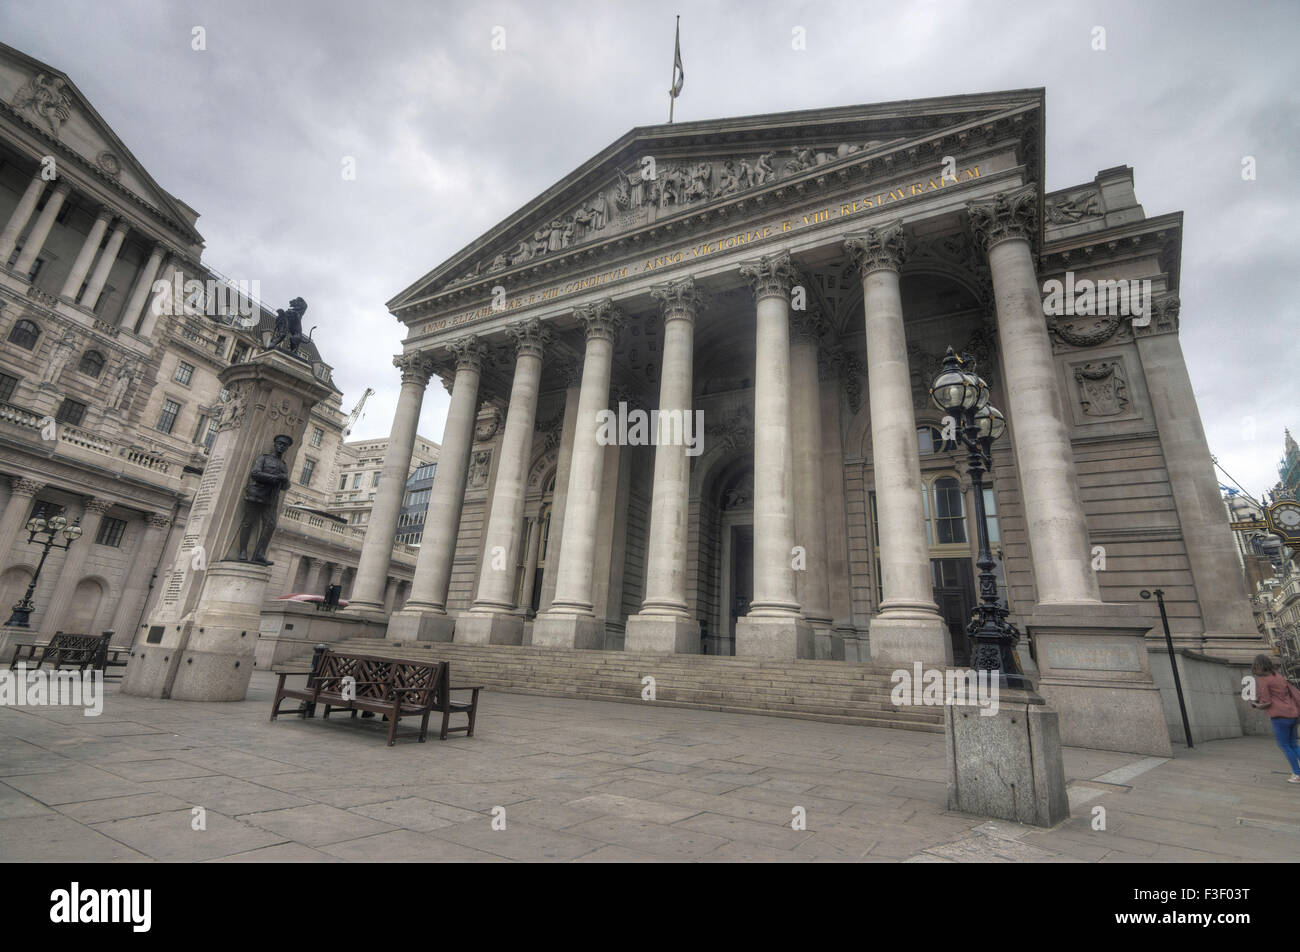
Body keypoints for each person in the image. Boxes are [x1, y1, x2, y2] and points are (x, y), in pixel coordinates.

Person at [237, 434, 292, 564]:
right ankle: (243, 551)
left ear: (286, 449)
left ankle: (259, 554)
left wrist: (286, 481)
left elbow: (285, 486)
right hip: (256, 495)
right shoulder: (263, 458)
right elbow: (255, 474)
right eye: (279, 443)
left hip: (271, 500)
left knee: (270, 525)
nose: (281, 446)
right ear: (275, 444)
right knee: (248, 522)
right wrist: (275, 478)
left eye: (284, 445)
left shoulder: (283, 465)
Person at [1250, 654, 1300, 783]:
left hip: (1280, 717)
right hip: (1293, 714)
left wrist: (1256, 705)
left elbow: (1266, 702)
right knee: (1293, 744)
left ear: (1258, 667)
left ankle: (1297, 774)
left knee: (1284, 745)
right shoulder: (1278, 676)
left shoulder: (1264, 680)